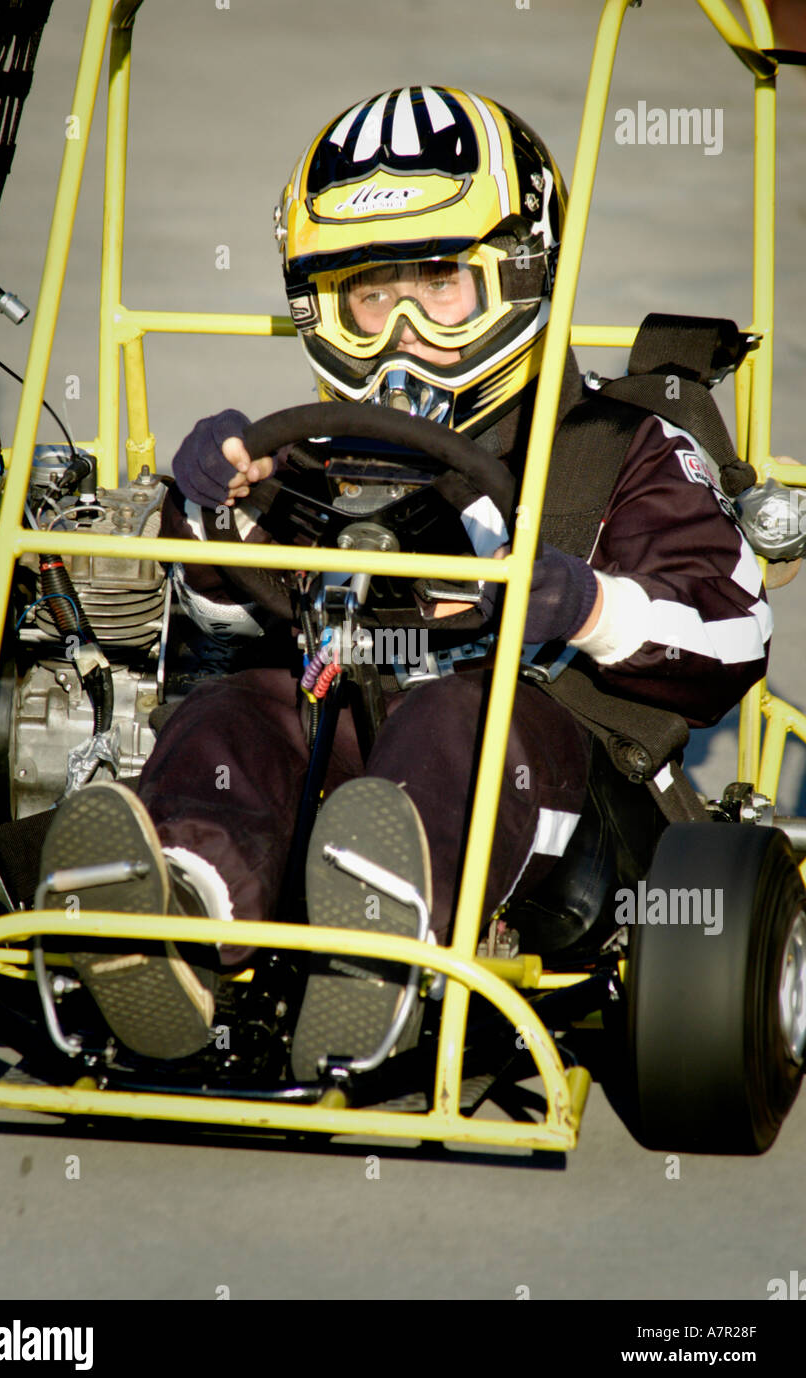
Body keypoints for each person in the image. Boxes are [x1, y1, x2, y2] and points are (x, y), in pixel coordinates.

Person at [39, 87, 771, 1072]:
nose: (402, 331)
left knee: (454, 721)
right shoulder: (322, 453)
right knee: (241, 711)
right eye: (371, 297)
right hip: (346, 754)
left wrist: (587, 603)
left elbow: (735, 637)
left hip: (567, 801)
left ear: (514, 274)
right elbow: (217, 611)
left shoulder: (617, 446)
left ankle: (386, 941)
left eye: (438, 282)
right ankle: (172, 911)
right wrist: (215, 505)